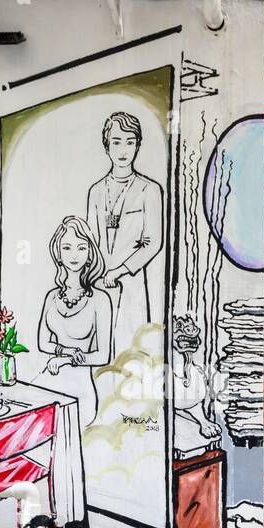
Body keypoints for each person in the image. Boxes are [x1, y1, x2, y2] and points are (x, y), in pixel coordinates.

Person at [85, 111, 163, 354]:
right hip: (98, 282)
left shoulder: (149, 189)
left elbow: (153, 242)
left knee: (131, 353)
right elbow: (90, 241)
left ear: (138, 145)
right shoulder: (96, 191)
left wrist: (120, 270)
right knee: (99, 353)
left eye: (130, 142)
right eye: (117, 142)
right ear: (106, 146)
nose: (123, 150)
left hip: (131, 282)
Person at [36, 216, 114, 427]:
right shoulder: (52, 296)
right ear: (58, 254)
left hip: (79, 389)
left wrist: (65, 360)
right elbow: (43, 343)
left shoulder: (100, 299)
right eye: (67, 248)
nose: (74, 255)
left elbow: (102, 355)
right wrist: (66, 351)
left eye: (81, 248)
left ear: (89, 253)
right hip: (49, 381)